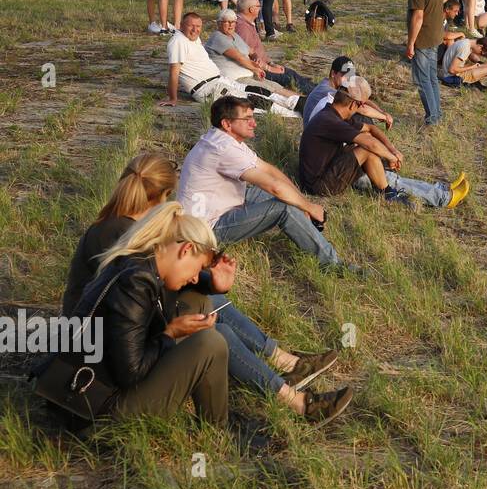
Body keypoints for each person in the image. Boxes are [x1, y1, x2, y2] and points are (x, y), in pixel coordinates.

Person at [62, 155, 350, 423]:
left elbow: (162, 286)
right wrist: (172, 333)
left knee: (206, 312)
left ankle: (285, 386)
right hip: (98, 380)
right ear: (162, 198)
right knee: (207, 324)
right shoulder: (123, 244)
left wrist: (209, 282)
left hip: (106, 353)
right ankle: (288, 388)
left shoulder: (128, 234)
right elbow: (130, 364)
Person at [62, 202, 231, 426]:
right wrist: (170, 334)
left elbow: (187, 288)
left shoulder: (139, 262)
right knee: (211, 342)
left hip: (91, 391)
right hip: (98, 411)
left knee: (197, 302)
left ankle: (212, 416)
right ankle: (217, 432)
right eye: (198, 269)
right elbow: (130, 373)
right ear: (186, 249)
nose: (194, 278)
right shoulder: (136, 283)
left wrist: (217, 286)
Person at [178, 96, 343, 267]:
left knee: (271, 195)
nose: (254, 123)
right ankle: (333, 264)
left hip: (212, 211)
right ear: (227, 124)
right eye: (247, 119)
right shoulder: (224, 149)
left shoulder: (223, 139)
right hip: (206, 230)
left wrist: (302, 203)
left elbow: (269, 171)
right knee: (283, 207)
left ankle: (308, 231)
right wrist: (310, 207)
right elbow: (274, 187)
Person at [299, 76, 470, 209]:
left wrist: (391, 151)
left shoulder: (333, 114)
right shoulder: (331, 121)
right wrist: (391, 158)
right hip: (320, 184)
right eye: (361, 106)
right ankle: (442, 198)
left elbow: (369, 130)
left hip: (329, 169)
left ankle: (440, 190)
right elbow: (369, 144)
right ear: (353, 105)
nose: (361, 110)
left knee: (387, 174)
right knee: (381, 168)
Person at [160, 12, 300, 117]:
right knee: (252, 102)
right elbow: (174, 71)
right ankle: (295, 115)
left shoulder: (192, 38)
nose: (195, 29)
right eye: (191, 26)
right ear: (182, 25)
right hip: (206, 88)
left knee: (260, 91)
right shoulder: (178, 41)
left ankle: (299, 105)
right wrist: (173, 98)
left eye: (198, 26)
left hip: (219, 80)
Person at [205, 9, 302, 101]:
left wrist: (256, 58)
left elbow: (250, 51)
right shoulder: (218, 37)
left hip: (250, 74)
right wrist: (260, 69)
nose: (230, 25)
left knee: (276, 86)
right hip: (236, 79)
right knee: (273, 90)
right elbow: (239, 58)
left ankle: (304, 99)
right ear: (219, 23)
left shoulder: (234, 35)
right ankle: (303, 101)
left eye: (233, 22)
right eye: (227, 22)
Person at [405, 0, 453, 127]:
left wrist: (410, 43)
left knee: (422, 79)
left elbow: (417, 17)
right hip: (436, 36)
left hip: (423, 39)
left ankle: (432, 118)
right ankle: (437, 113)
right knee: (432, 77)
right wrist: (435, 4)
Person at [232, 0, 315, 93]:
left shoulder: (247, 23)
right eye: (259, 6)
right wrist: (269, 68)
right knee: (289, 76)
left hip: (264, 66)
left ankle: (314, 87)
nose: (260, 9)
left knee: (291, 74)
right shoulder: (242, 28)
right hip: (258, 71)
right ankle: (318, 93)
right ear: (251, 9)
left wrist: (271, 63)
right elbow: (245, 58)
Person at [303, 55, 394, 127]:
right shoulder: (326, 90)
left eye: (350, 75)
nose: (348, 79)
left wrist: (381, 112)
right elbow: (361, 109)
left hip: (324, 126)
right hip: (315, 132)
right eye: (344, 75)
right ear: (333, 73)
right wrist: (384, 117)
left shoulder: (337, 85)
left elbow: (362, 100)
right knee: (358, 117)